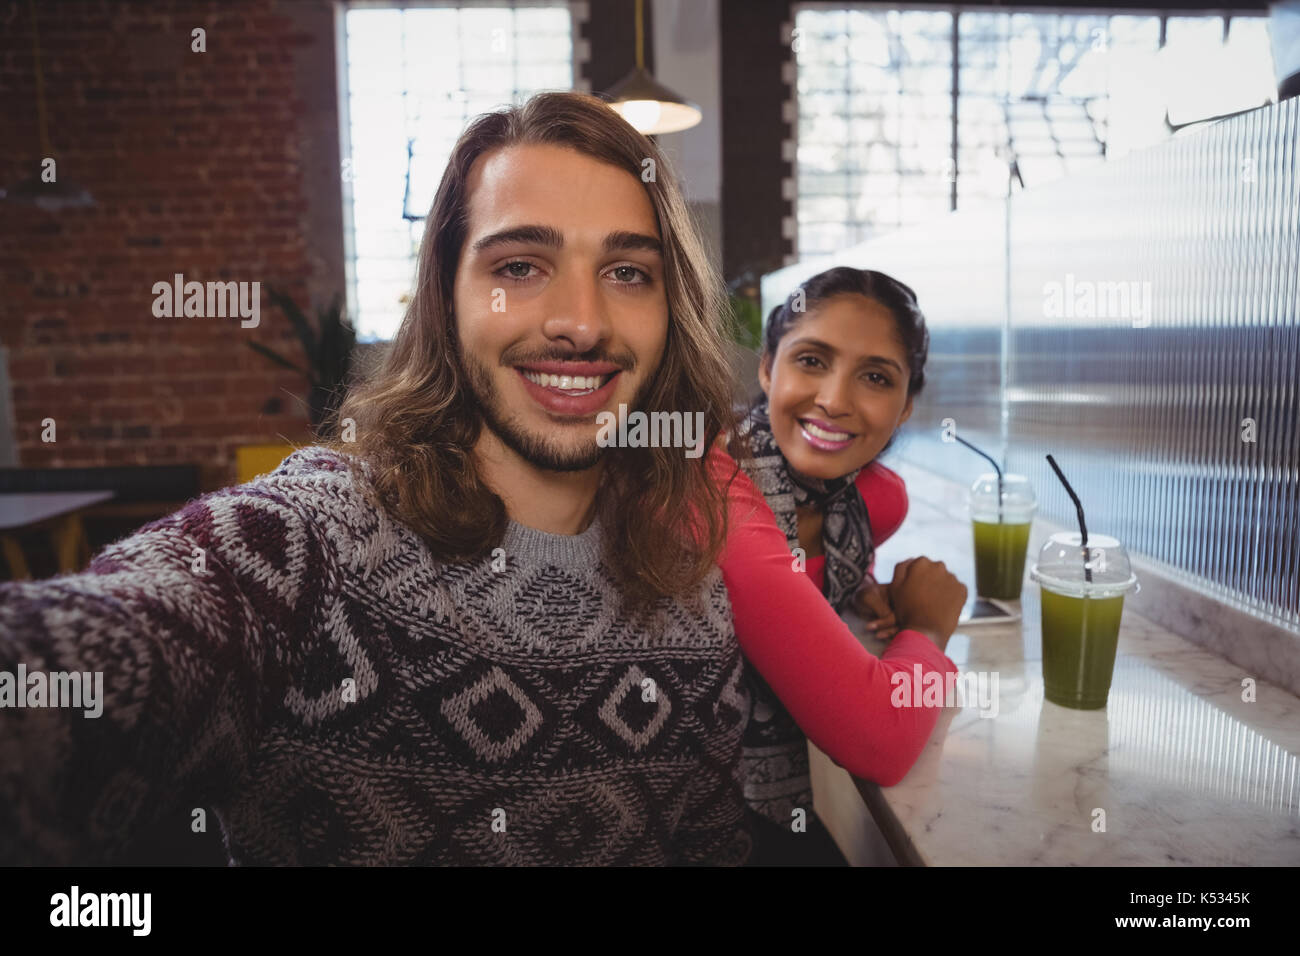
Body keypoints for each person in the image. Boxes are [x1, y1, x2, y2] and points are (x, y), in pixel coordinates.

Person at [0, 91, 753, 866]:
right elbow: (104, 656)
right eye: (520, 267)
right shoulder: (313, 541)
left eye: (628, 272)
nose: (582, 322)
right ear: (446, 296)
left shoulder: (693, 603)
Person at [709, 266, 967, 864]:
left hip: (795, 808)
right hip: (686, 822)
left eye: (875, 377)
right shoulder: (713, 492)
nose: (834, 400)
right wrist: (926, 627)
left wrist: (859, 589)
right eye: (812, 361)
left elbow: (800, 594)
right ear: (768, 368)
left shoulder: (876, 501)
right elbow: (880, 738)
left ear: (905, 407)